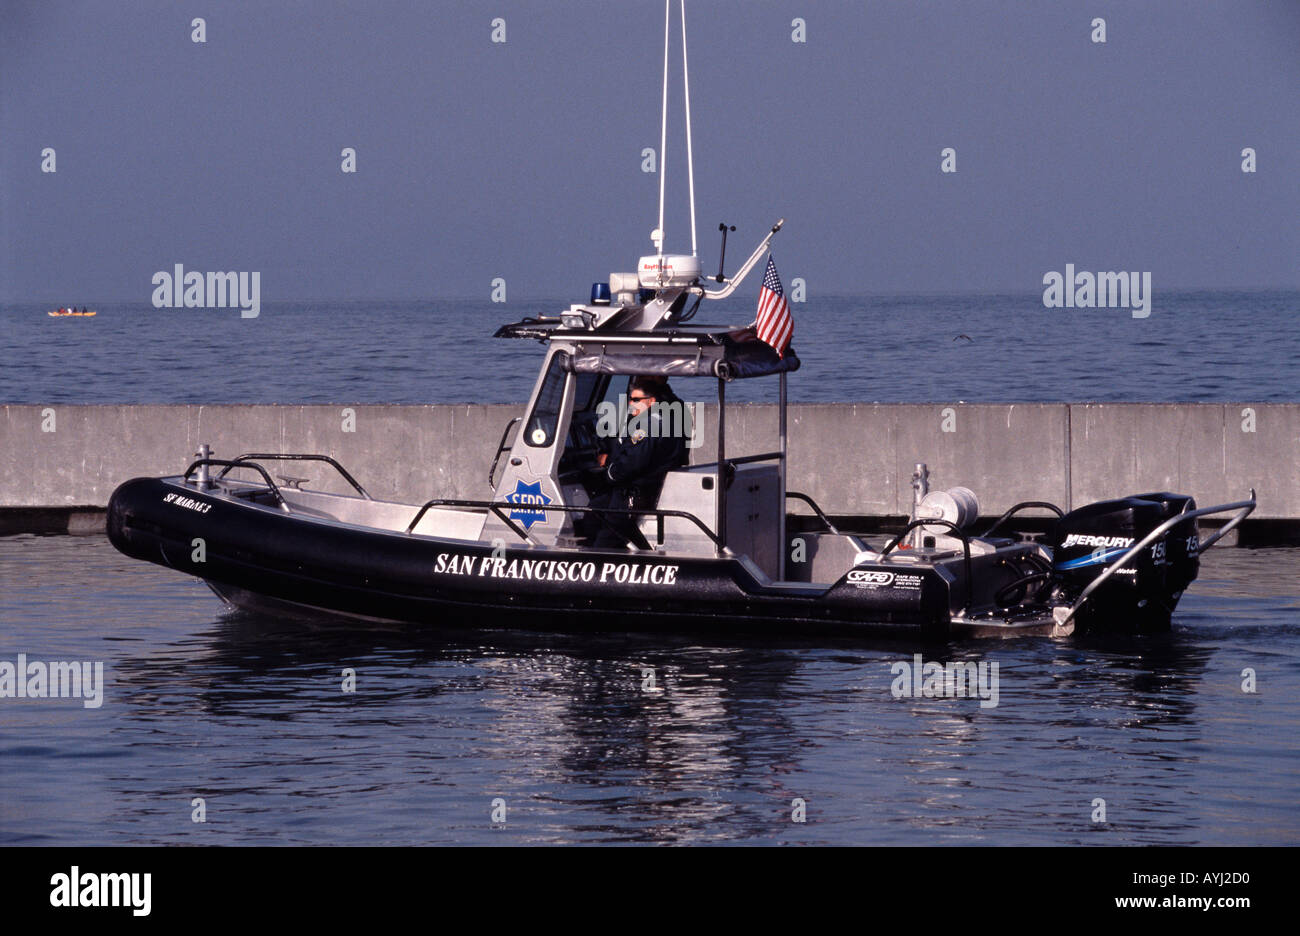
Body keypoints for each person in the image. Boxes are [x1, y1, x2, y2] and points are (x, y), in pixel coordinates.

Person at [584, 376, 689, 549]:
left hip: (634, 490)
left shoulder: (649, 425)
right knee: (594, 514)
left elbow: (632, 461)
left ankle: (596, 563)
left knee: (607, 538)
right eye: (630, 399)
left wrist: (609, 472)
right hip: (641, 486)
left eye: (636, 400)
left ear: (651, 402)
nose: (631, 403)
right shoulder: (667, 415)